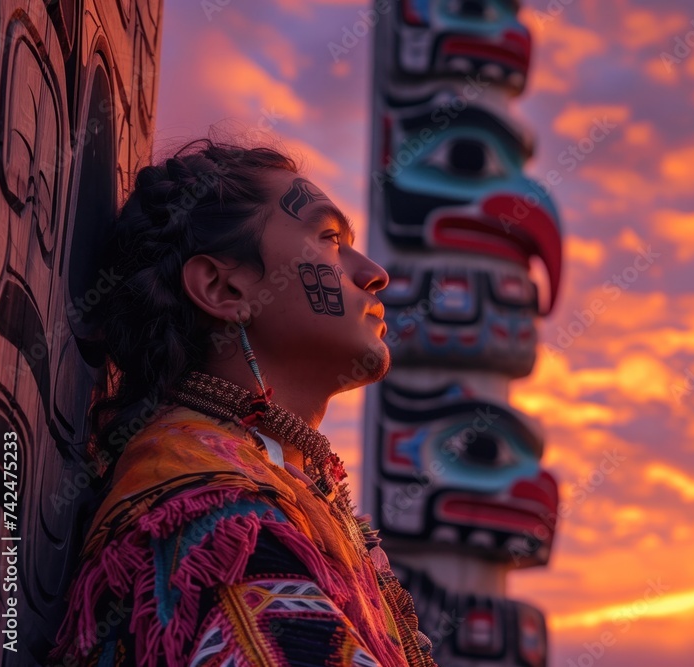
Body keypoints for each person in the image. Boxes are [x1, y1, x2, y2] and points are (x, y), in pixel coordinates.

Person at [49, 138, 438, 667]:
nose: (373, 272)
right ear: (223, 289)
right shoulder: (214, 520)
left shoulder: (284, 487)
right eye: (329, 239)